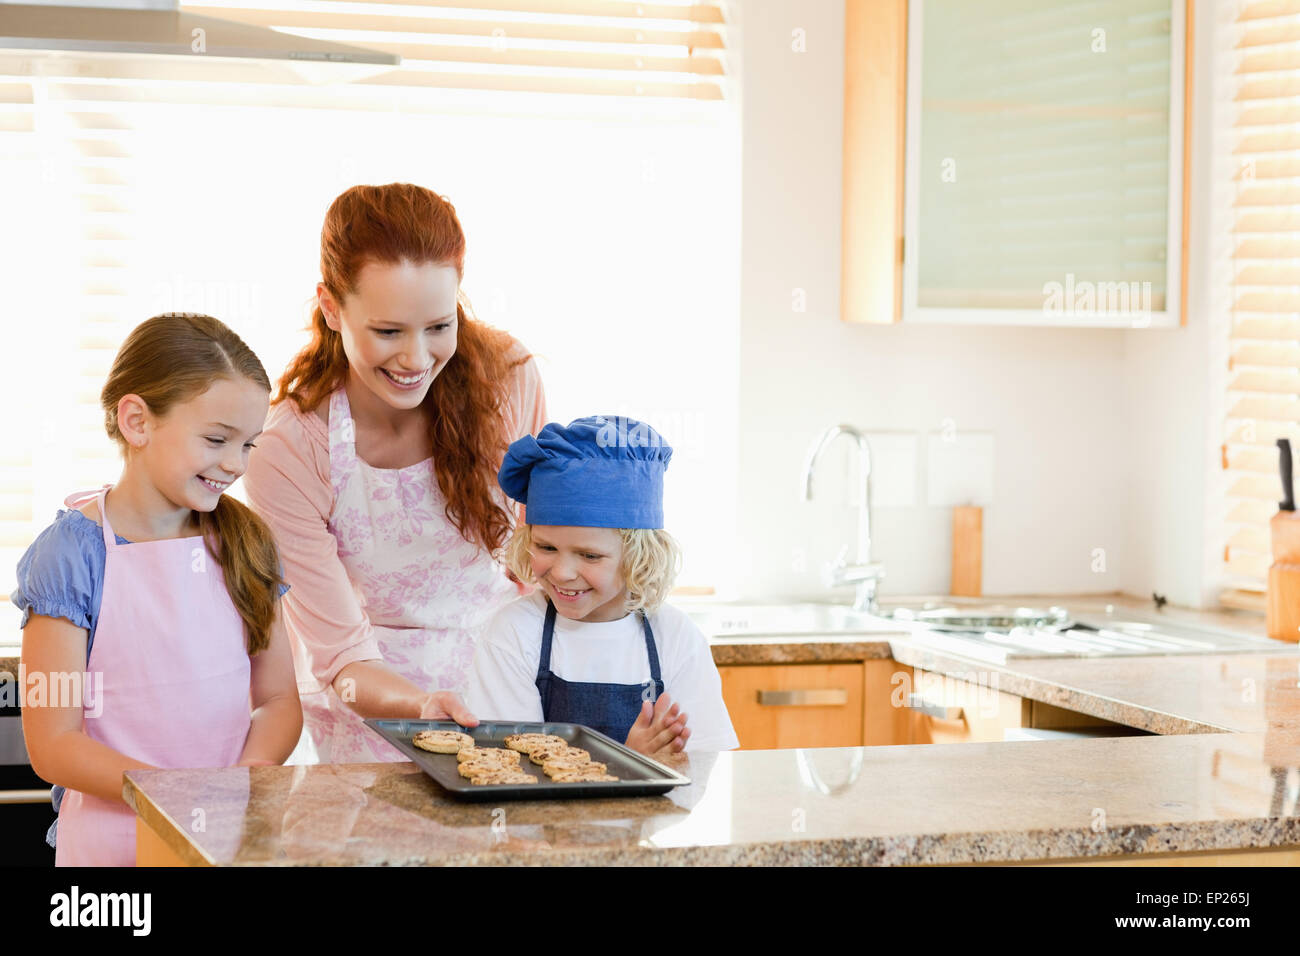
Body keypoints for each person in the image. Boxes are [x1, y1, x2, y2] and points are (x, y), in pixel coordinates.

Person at [241, 183, 547, 763]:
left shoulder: (510, 380)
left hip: (510, 699)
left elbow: (542, 559)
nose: (416, 358)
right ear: (331, 307)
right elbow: (340, 655)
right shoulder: (289, 447)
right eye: (388, 332)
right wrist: (426, 706)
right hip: (368, 723)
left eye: (438, 325)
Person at [13, 313, 302, 866]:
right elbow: (52, 742)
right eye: (217, 439)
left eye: (249, 446)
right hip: (109, 845)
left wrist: (248, 779)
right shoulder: (70, 556)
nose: (234, 465)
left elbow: (279, 699)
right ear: (137, 421)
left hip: (226, 837)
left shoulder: (248, 543)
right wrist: (170, 795)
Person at [467, 416, 739, 755]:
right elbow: (507, 767)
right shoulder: (515, 632)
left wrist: (647, 766)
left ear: (640, 557)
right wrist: (626, 762)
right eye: (546, 547)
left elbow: (703, 765)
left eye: (590, 555)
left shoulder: (675, 637)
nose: (563, 572)